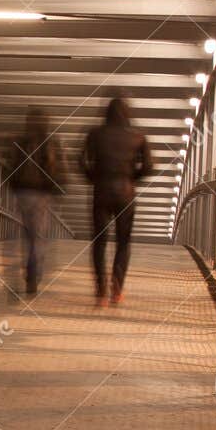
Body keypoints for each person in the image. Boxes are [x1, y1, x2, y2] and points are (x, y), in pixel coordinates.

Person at [79, 95, 154, 306]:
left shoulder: (95, 134)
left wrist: (93, 177)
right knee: (123, 242)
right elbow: (149, 166)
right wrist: (131, 178)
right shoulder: (138, 137)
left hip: (101, 191)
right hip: (126, 193)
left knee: (99, 241)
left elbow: (81, 161)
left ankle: (101, 291)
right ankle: (117, 289)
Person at [6, 107, 65, 296]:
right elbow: (58, 169)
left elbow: (10, 167)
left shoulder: (19, 141)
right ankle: (33, 276)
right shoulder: (51, 142)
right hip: (41, 195)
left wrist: (13, 185)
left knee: (22, 235)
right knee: (37, 237)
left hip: (22, 193)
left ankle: (18, 276)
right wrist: (58, 188)